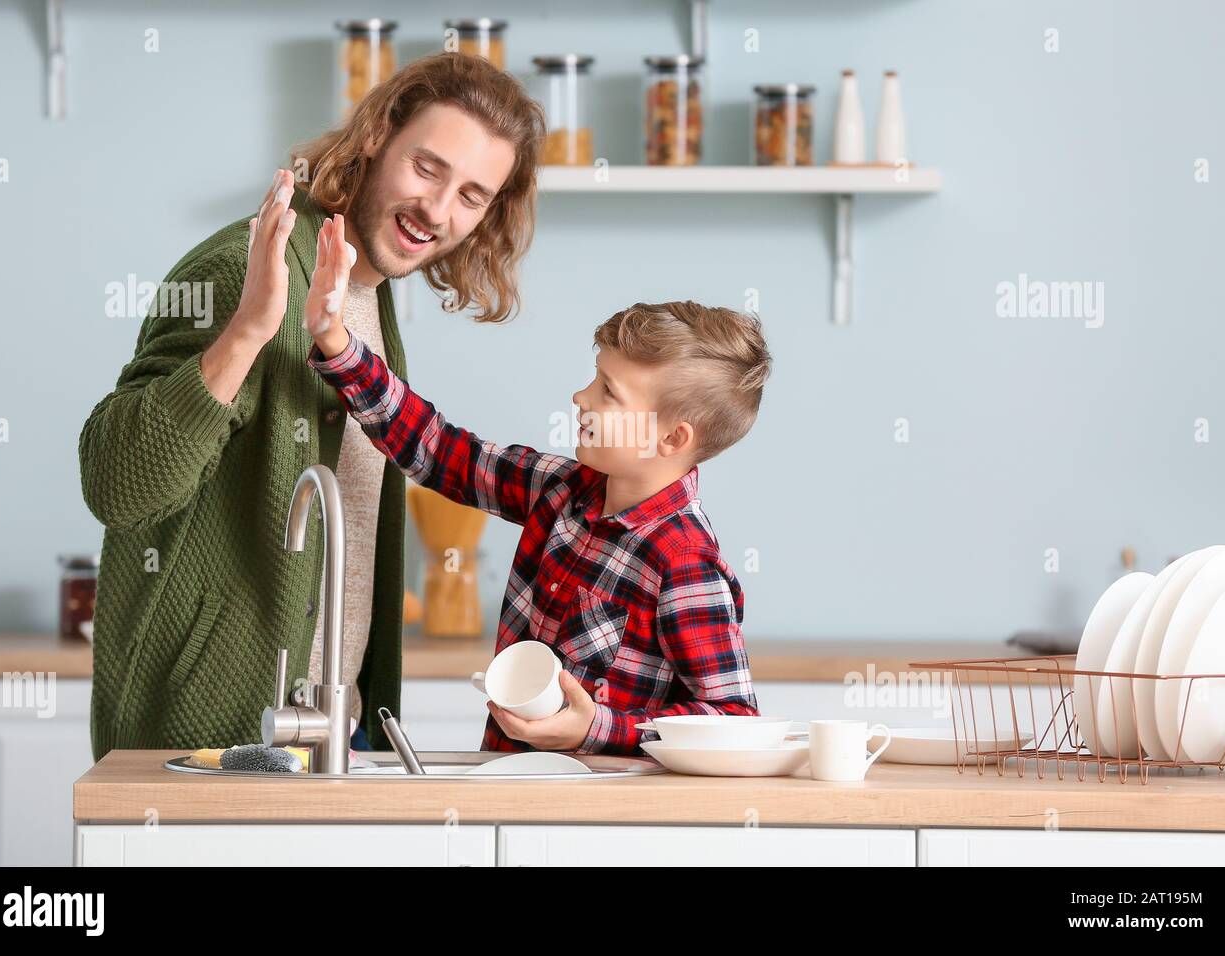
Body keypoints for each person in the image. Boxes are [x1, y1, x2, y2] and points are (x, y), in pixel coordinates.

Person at [78, 54, 544, 760]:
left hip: (336, 732)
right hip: (210, 739)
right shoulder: (245, 266)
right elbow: (117, 484)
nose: (439, 211)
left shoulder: (368, 291)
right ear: (376, 133)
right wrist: (246, 334)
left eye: (473, 194)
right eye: (428, 168)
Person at [304, 225, 771, 755]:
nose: (580, 396)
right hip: (512, 783)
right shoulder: (559, 489)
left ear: (672, 437)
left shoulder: (683, 561)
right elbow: (439, 451)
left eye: (608, 392)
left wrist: (598, 728)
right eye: (594, 378)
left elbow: (735, 722)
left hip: (596, 820)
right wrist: (336, 341)